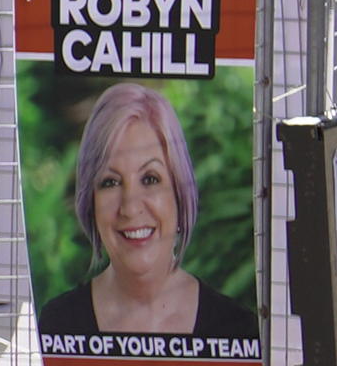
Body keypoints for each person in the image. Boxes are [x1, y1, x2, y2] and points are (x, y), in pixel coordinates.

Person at [38, 78, 257, 343]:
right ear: (91, 202)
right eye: (110, 182)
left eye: (150, 179)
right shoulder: (57, 326)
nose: (130, 207)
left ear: (179, 193)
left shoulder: (236, 331)